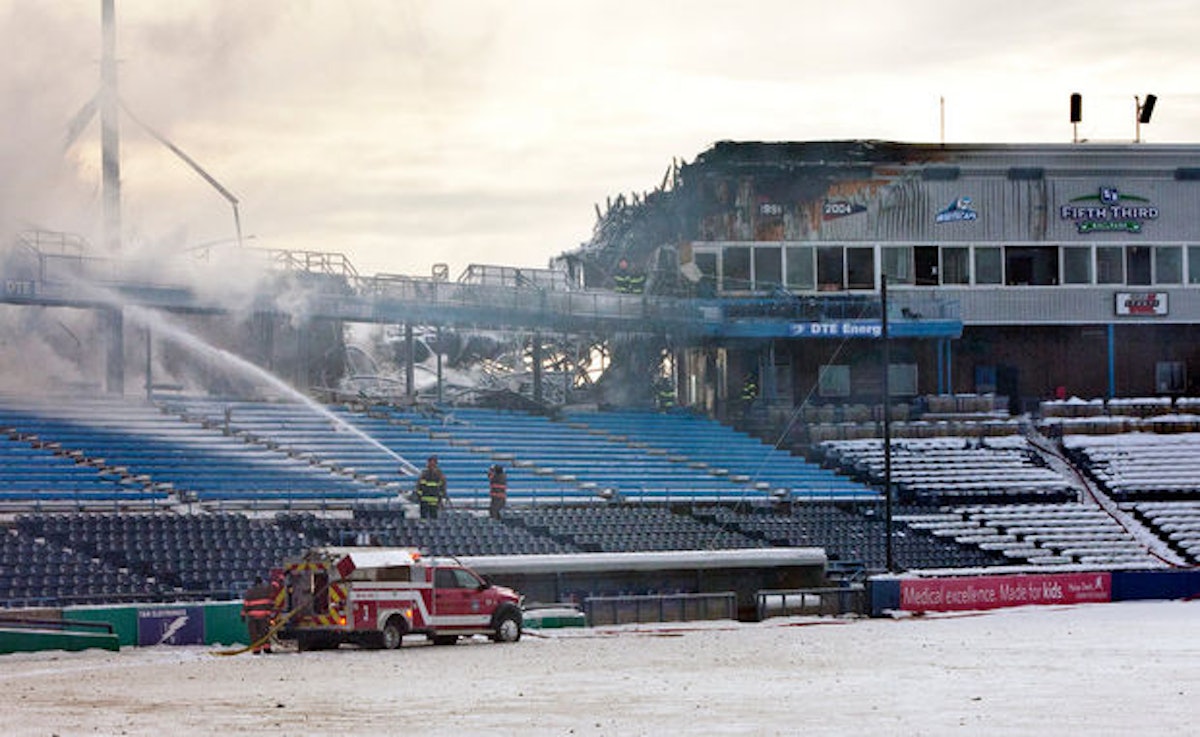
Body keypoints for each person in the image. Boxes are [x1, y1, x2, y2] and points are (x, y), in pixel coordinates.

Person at [241, 576, 276, 655]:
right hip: (264, 616)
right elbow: (274, 587)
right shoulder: (266, 590)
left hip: (252, 617)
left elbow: (246, 604)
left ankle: (256, 649)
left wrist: (243, 615)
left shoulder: (249, 591)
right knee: (265, 633)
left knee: (254, 634)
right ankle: (267, 648)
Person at [417, 455, 447, 519]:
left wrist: (441, 495)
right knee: (423, 516)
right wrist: (419, 495)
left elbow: (442, 486)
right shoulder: (424, 474)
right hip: (425, 498)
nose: (431, 464)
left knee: (433, 515)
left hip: (434, 498)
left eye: (433, 462)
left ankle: (432, 525)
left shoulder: (439, 474)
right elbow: (419, 486)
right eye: (430, 462)